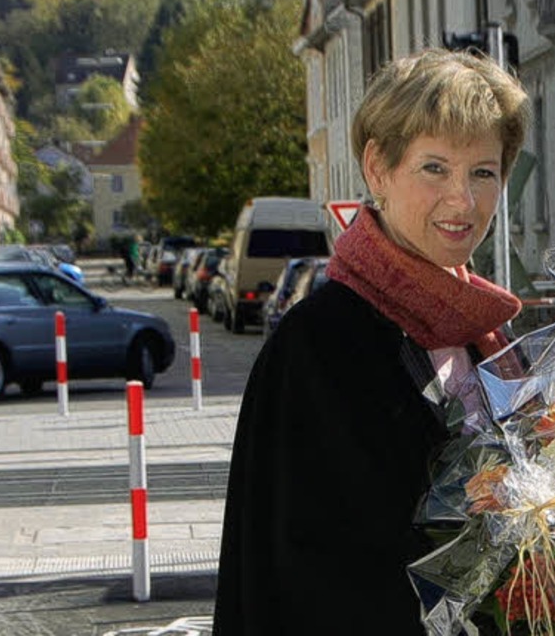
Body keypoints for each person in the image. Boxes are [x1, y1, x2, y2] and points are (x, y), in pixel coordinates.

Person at [213, 49, 530, 634]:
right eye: (435, 168)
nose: (463, 200)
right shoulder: (321, 344)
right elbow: (299, 577)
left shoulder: (491, 336)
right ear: (378, 168)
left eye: (483, 173)